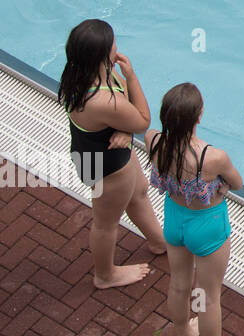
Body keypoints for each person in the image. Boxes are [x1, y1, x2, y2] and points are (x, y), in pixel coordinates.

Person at [57, 19, 166, 289]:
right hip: (109, 167)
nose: (117, 44)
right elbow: (141, 120)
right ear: (103, 53)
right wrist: (132, 76)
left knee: (138, 193)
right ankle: (105, 275)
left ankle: (158, 242)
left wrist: (125, 132)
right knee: (106, 223)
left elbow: (123, 108)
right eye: (113, 42)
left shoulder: (81, 74)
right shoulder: (101, 100)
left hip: (93, 153)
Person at [145, 83, 244, 336]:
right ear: (198, 117)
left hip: (175, 221)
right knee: (207, 295)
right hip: (207, 227)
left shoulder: (153, 140)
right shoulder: (212, 157)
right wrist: (220, 186)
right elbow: (237, 183)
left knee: (179, 284)